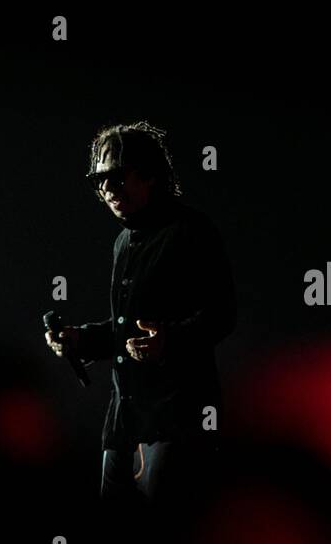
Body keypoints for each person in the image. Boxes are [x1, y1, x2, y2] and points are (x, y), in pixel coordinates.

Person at [46, 121, 236, 506]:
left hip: (176, 423)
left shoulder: (190, 231)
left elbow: (222, 314)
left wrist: (170, 340)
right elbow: (126, 329)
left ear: (150, 175)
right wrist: (81, 339)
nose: (107, 191)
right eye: (99, 181)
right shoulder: (123, 242)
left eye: (117, 178)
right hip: (124, 425)